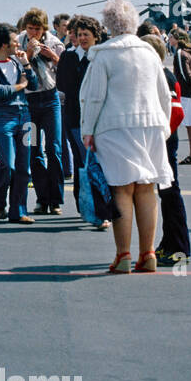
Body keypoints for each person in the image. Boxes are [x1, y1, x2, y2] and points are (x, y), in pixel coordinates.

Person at [79, 0, 173, 273]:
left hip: (114, 126)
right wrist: (164, 126)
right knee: (146, 188)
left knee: (121, 189)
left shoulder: (103, 54)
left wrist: (88, 130)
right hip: (151, 124)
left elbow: (94, 98)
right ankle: (149, 252)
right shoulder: (149, 52)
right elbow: (163, 94)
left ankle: (124, 255)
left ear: (108, 24)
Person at [138, 25, 191, 266]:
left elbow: (175, 112)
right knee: (165, 193)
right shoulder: (161, 74)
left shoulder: (162, 76)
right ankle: (169, 243)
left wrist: (161, 134)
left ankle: (179, 247)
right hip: (163, 140)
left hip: (163, 142)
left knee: (170, 194)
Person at [18, 8, 65, 215]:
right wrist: (28, 53)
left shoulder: (54, 42)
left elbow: (66, 70)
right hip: (28, 101)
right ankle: (41, 197)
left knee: (54, 149)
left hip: (50, 99)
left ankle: (55, 199)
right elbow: (13, 71)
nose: (33, 33)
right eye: (30, 29)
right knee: (33, 150)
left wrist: (52, 55)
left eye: (37, 29)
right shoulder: (18, 41)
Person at [59, 15, 105, 224]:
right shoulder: (69, 57)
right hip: (76, 118)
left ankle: (95, 208)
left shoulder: (101, 57)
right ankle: (88, 207)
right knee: (84, 162)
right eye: (79, 34)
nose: (82, 38)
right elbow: (63, 85)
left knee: (94, 163)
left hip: (99, 119)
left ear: (96, 36)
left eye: (86, 34)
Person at [0, 23, 34, 225]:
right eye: (15, 40)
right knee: (8, 164)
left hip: (24, 115)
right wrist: (20, 85)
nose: (18, 44)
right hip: (3, 116)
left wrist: (27, 66)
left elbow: (34, 83)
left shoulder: (17, 61)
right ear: (5, 44)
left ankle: (18, 210)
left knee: (24, 166)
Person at [171, 30, 191, 164]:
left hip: (185, 92)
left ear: (177, 38)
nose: (169, 39)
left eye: (171, 37)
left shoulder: (180, 53)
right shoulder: (190, 53)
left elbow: (186, 74)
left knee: (190, 124)